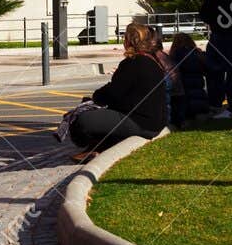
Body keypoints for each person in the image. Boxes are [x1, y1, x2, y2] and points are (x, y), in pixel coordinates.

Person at [68, 23, 168, 151]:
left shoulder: (132, 63)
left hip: (141, 122)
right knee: (105, 116)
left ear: (129, 41)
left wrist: (95, 97)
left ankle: (91, 145)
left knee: (83, 119)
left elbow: (113, 93)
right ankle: (100, 146)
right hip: (155, 122)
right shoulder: (153, 62)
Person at [168, 32, 212, 127]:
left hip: (183, 94)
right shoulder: (198, 54)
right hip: (199, 94)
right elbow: (209, 69)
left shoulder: (173, 56)